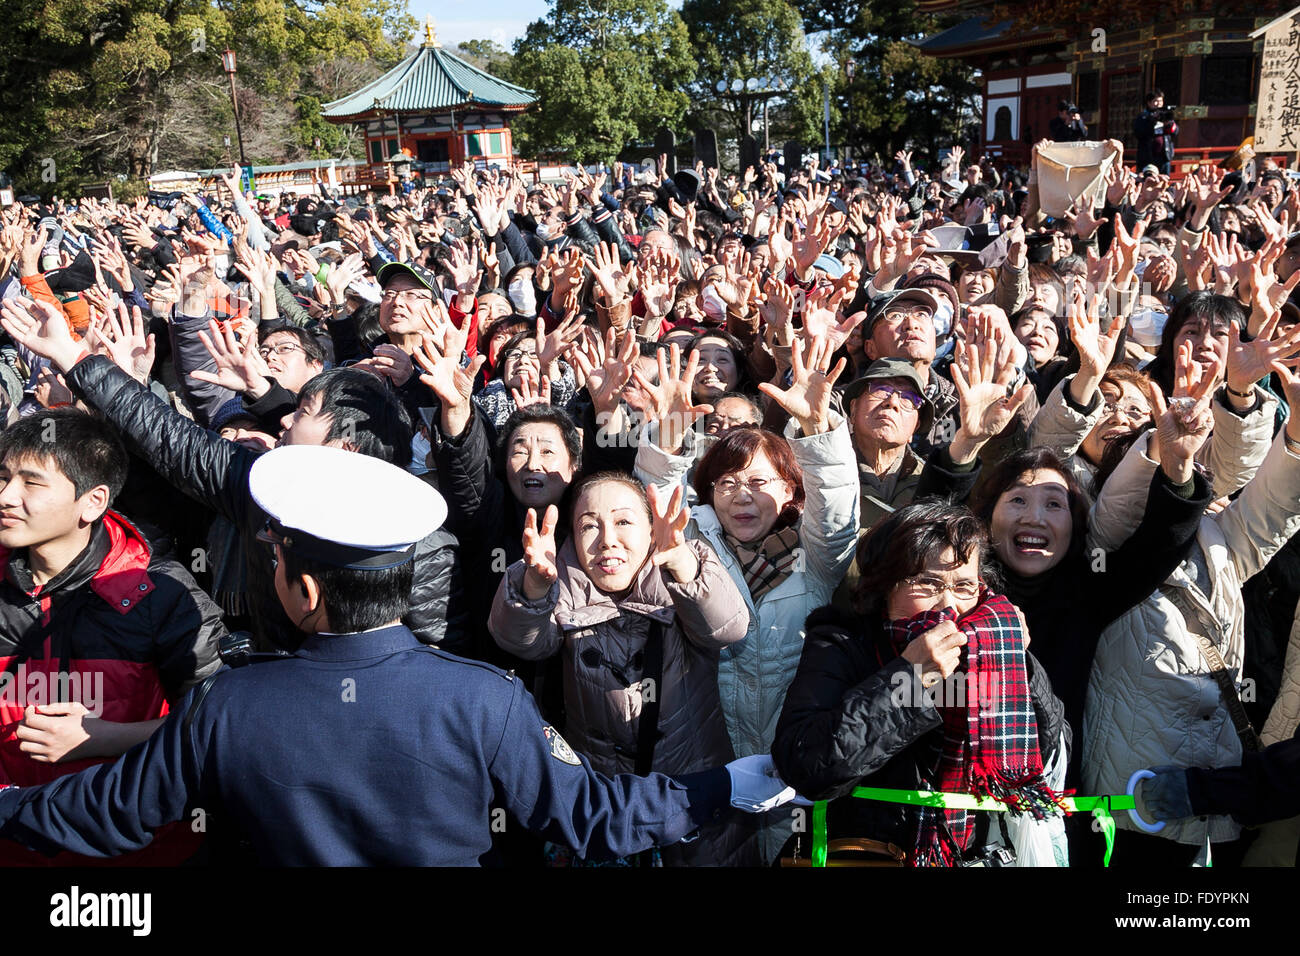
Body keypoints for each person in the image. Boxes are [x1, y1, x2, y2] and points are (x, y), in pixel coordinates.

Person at [0, 446, 801, 865]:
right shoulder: (483, 699)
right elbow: (591, 816)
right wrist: (721, 785)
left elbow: (102, 813)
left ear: (305, 593)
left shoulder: (231, 705)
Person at [0, 296, 470, 656]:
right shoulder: (259, 487)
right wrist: (74, 357)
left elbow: (440, 657)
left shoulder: (419, 544)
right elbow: (166, 436)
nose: (283, 420)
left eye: (303, 410)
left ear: (344, 446)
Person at [771, 501, 1067, 866]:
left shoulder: (995, 643)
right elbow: (807, 765)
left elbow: (1051, 746)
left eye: (963, 586)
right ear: (885, 584)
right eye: (927, 583)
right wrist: (911, 679)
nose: (948, 607)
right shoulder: (842, 643)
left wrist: (1020, 664)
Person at [489, 472, 749, 864]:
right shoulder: (559, 589)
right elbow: (518, 641)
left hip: (694, 801)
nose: (607, 539)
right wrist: (534, 588)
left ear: (652, 530)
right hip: (604, 809)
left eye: (624, 521)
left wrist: (682, 564)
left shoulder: (684, 574)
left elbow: (727, 627)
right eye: (589, 526)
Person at [0, 410, 224, 865]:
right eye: (3, 477)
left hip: (135, 846)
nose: (6, 496)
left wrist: (104, 737)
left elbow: (219, 727)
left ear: (93, 501)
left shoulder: (163, 594)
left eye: (31, 483)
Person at [1134, 89, 1178, 176]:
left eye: (1161, 101)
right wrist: (1152, 121)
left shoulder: (1164, 115)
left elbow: (1175, 132)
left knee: (1164, 181)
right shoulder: (1143, 117)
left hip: (1164, 156)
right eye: (1156, 101)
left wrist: (1168, 124)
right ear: (1149, 103)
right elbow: (1139, 133)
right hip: (1148, 157)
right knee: (1148, 181)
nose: (1159, 104)